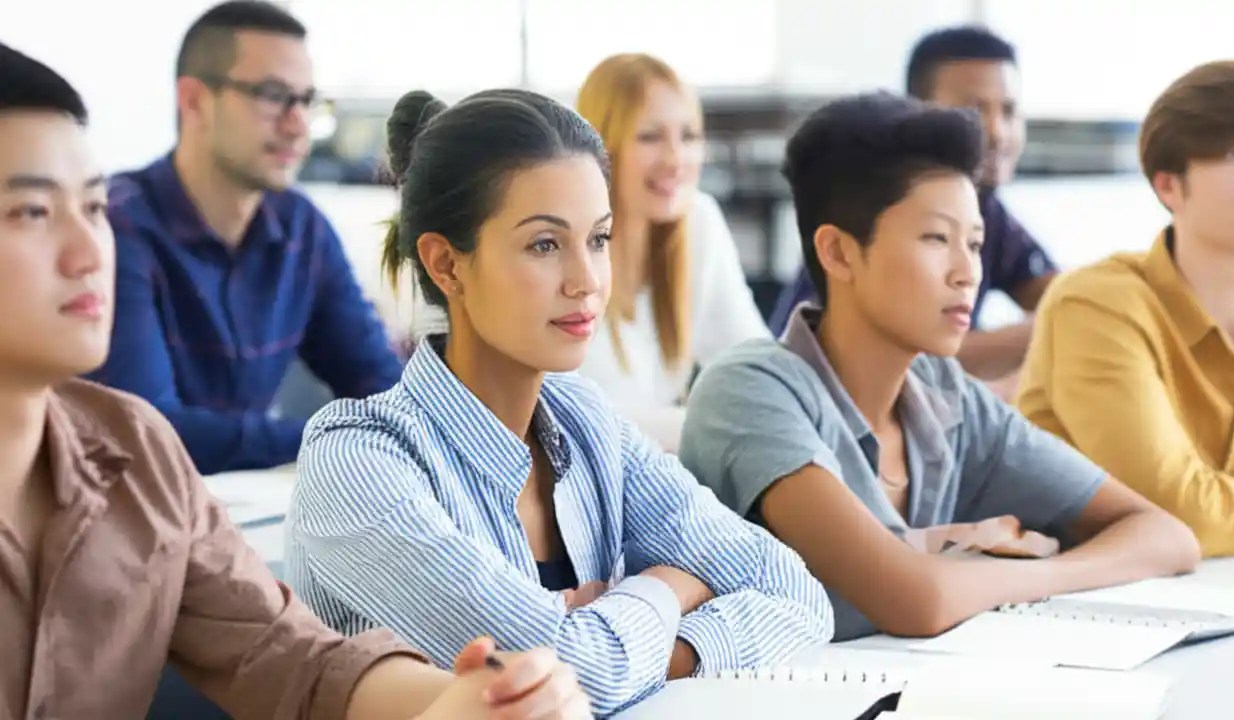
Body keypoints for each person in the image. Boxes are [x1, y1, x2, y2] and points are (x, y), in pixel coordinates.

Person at [0, 41, 588, 720]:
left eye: (94, 208)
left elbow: (295, 661)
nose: (87, 251)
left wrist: (470, 699)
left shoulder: (137, 455)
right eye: (33, 212)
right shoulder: (150, 250)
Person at [285, 88, 832, 716]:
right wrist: (667, 586)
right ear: (446, 265)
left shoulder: (586, 421)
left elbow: (795, 594)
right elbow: (569, 678)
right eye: (545, 245)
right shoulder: (358, 461)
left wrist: (621, 625)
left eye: (598, 239)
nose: (587, 280)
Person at [680, 92, 1200, 642]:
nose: (966, 272)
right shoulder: (749, 391)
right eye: (935, 239)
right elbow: (917, 603)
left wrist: (1022, 570)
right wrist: (989, 562)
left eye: (974, 244)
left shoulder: (947, 397)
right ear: (837, 253)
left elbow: (1166, 536)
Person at [88, 1, 402, 474]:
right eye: (273, 95)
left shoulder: (302, 229)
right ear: (194, 101)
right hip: (135, 513)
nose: (298, 125)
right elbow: (149, 431)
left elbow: (387, 395)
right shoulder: (118, 226)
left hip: (244, 514)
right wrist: (340, 436)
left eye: (307, 100)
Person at [1018, 61, 1234, 558]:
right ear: (1168, 185)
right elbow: (1178, 511)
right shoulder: (1096, 304)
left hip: (1213, 587)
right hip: (1063, 594)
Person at [769, 26, 1057, 397]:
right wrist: (1042, 331)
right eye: (973, 110)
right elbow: (897, 355)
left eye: (1009, 111)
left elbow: (1063, 296)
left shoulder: (987, 210)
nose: (996, 132)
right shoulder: (879, 200)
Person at [574, 53, 769, 450]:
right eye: (650, 136)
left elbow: (758, 372)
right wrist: (715, 427)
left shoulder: (698, 220)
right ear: (602, 146)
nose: (676, 160)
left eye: (690, 137)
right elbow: (583, 425)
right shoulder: (566, 245)